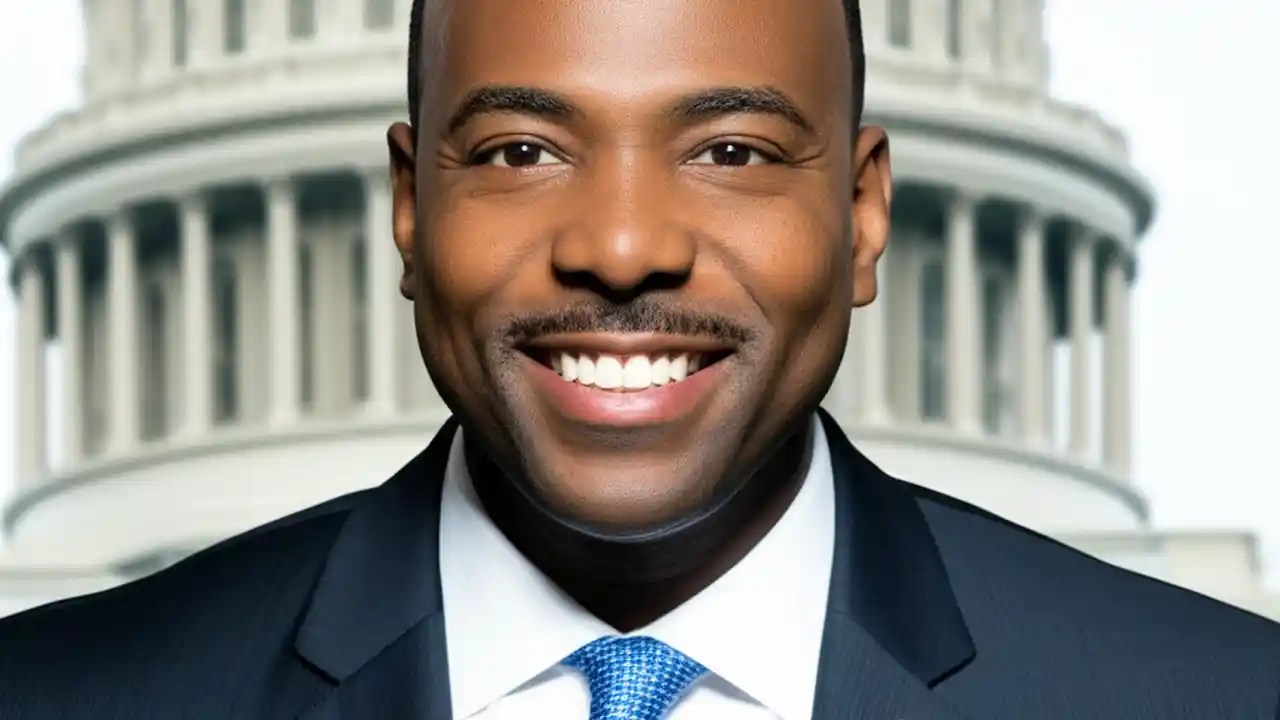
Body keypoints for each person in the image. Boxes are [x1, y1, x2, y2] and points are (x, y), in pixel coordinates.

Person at [3, 0, 1279, 717]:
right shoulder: (66, 699)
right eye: (519, 150)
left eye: (730, 150)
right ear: (408, 208)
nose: (620, 248)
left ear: (864, 214)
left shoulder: (1211, 698)